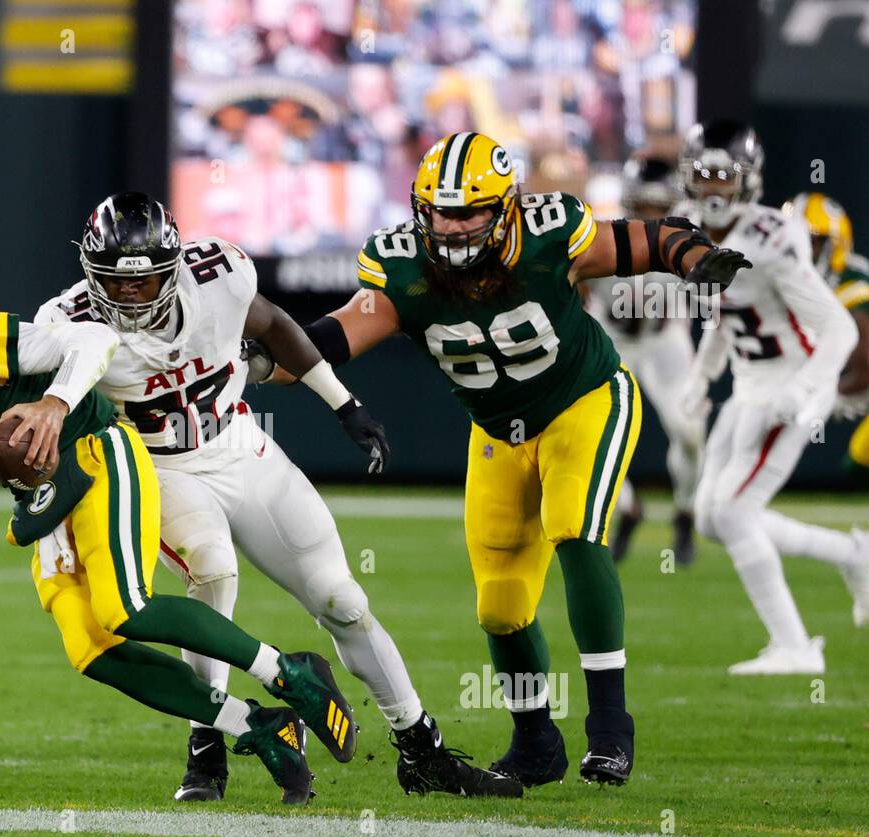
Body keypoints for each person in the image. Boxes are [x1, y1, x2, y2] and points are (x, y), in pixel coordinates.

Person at [33, 191, 522, 801]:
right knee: (212, 567)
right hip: (155, 466)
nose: (130, 295)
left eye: (144, 280)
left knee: (342, 598)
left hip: (238, 442)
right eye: (116, 281)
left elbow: (272, 325)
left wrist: (345, 404)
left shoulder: (218, 276)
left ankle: (422, 750)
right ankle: (207, 746)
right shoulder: (65, 322)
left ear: (174, 267)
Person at [297, 130, 750, 785]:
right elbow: (334, 337)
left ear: (506, 207)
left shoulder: (547, 234)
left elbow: (647, 240)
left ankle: (610, 730)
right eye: (440, 212)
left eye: (469, 211)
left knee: (575, 529)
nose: (452, 226)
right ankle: (536, 742)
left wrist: (693, 256)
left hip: (584, 399)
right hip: (497, 431)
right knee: (500, 606)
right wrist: (261, 356)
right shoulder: (401, 267)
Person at [0, 292, 359, 803]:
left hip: (93, 447)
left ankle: (288, 671)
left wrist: (55, 403)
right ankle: (257, 725)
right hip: (43, 492)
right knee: (90, 648)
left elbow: (93, 338)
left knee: (125, 607)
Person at [676, 123, 866, 675]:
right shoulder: (689, 231)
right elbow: (724, 313)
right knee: (711, 519)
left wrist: (804, 393)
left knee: (734, 513)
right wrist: (701, 377)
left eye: (724, 175)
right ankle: (853, 554)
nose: (713, 187)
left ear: (748, 180)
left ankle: (796, 648)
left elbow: (840, 330)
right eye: (704, 173)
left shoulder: (773, 237)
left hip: (789, 383)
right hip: (748, 385)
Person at [586, 156, 705, 563]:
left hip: (664, 339)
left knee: (690, 432)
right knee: (590, 433)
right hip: (611, 339)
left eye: (660, 207)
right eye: (645, 206)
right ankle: (628, 507)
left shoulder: (689, 239)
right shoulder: (600, 235)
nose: (653, 216)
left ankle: (685, 512)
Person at [782, 192, 869, 489]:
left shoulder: (853, 284)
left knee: (858, 466)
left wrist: (825, 399)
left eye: (813, 240)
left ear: (835, 244)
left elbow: (865, 370)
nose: (801, 249)